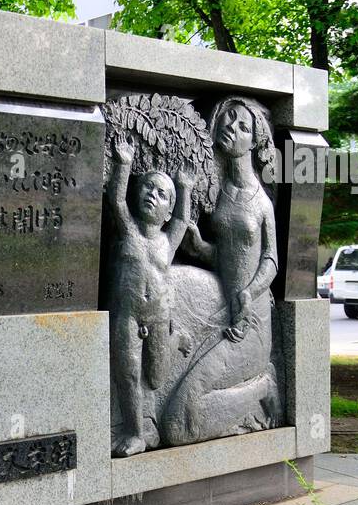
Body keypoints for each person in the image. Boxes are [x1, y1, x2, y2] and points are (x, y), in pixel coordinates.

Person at [160, 96, 280, 446]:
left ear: (254, 142)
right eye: (228, 119)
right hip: (217, 314)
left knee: (181, 423)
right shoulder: (222, 192)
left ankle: (263, 384)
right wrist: (200, 249)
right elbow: (230, 257)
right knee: (179, 412)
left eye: (243, 126)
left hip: (248, 325)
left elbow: (270, 260)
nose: (232, 127)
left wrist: (250, 292)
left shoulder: (262, 202)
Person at [107, 133, 194, 456]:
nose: (152, 196)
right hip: (127, 315)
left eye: (162, 194)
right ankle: (136, 433)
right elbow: (115, 201)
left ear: (168, 210)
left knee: (156, 378)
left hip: (159, 317)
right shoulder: (128, 229)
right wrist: (124, 163)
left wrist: (184, 187)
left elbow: (184, 219)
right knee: (128, 373)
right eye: (148, 188)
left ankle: (176, 339)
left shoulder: (167, 241)